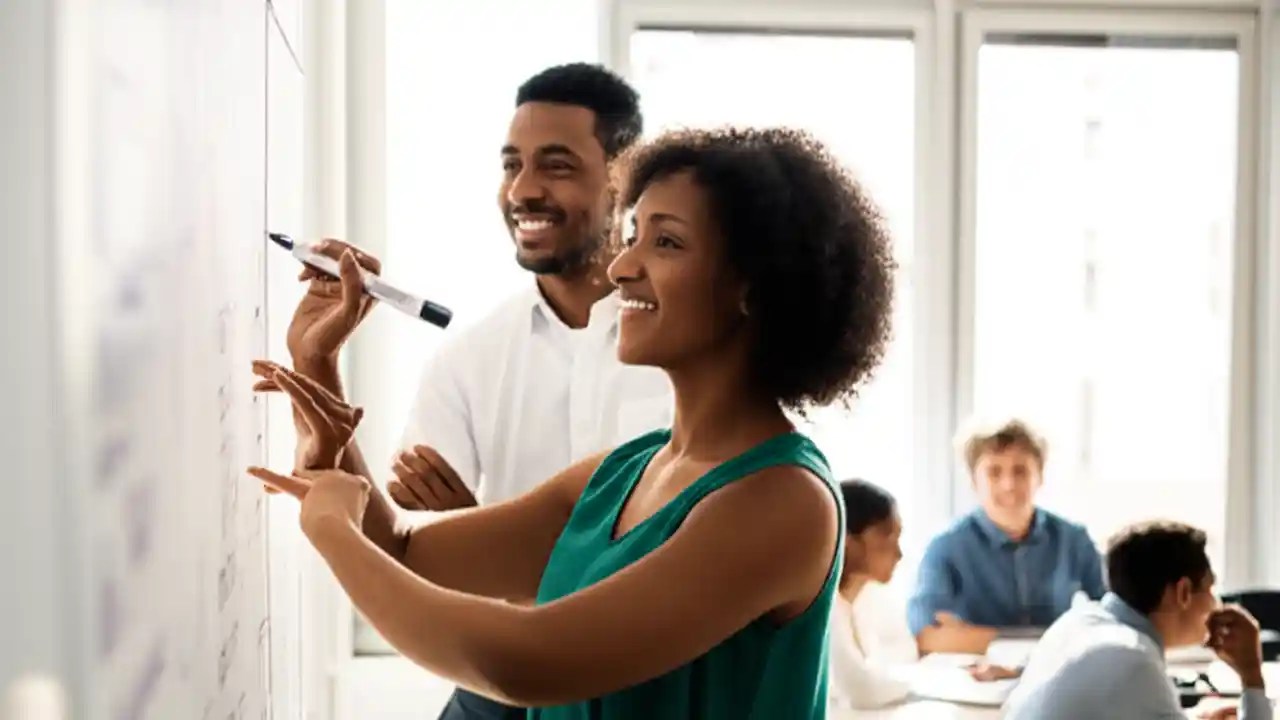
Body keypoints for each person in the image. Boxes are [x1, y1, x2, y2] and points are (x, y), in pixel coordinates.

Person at [249, 126, 897, 719]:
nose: (620, 268)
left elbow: (527, 663)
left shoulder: (782, 502)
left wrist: (332, 527)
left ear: (754, 286)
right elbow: (405, 551)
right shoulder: (624, 471)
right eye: (632, 235)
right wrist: (318, 362)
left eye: (665, 242)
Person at [276, 63, 670, 719]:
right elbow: (398, 545)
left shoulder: (688, 354)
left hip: (644, 681)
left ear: (624, 178)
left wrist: (483, 542)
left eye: (557, 165)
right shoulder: (468, 360)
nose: (524, 189)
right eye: (511, 164)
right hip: (503, 687)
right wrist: (315, 361)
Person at [1005, 521, 1271, 720]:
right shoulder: (1134, 660)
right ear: (1183, 593)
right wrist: (1251, 675)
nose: (1216, 604)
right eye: (1210, 589)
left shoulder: (1078, 621)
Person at [907, 417, 1106, 654]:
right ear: (973, 480)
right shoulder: (945, 547)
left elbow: (1113, 621)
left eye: (1020, 471)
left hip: (1055, 677)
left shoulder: (1074, 540)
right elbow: (930, 637)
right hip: (975, 682)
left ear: (1039, 476)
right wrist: (1051, 640)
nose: (1009, 484)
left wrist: (975, 637)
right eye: (994, 472)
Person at [828, 479, 916, 709]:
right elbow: (863, 691)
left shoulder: (868, 603)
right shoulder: (824, 609)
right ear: (847, 540)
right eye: (888, 537)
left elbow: (906, 652)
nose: (898, 554)